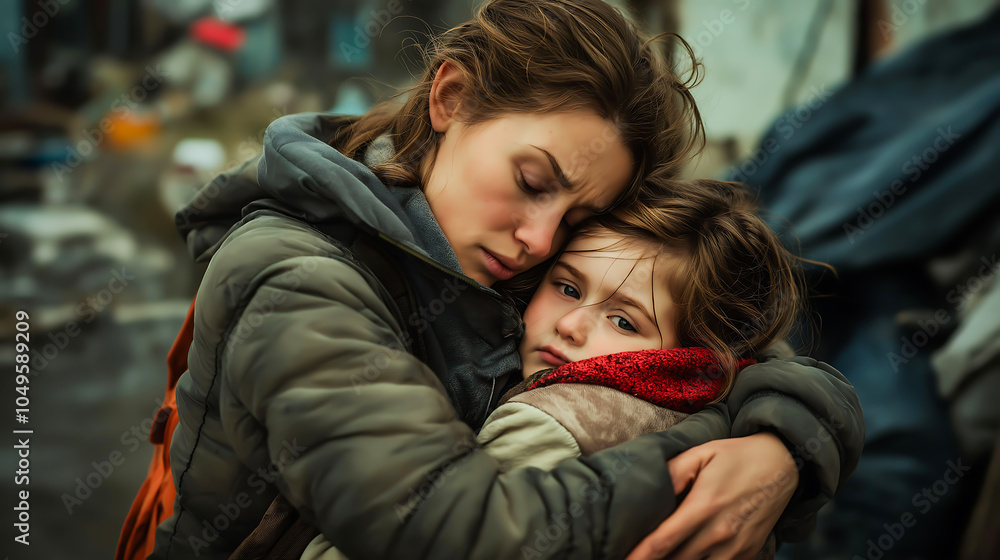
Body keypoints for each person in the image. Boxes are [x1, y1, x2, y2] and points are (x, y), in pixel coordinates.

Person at [149, 1, 864, 559]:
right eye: (531, 181)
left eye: (581, 216)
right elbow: (451, 531)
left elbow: (742, 347)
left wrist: (781, 448)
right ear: (451, 98)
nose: (541, 241)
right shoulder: (292, 278)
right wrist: (708, 465)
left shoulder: (489, 245)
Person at [282, 177, 821, 560]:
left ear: (688, 354)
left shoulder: (551, 420)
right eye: (566, 287)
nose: (571, 326)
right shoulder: (708, 404)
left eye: (624, 322)